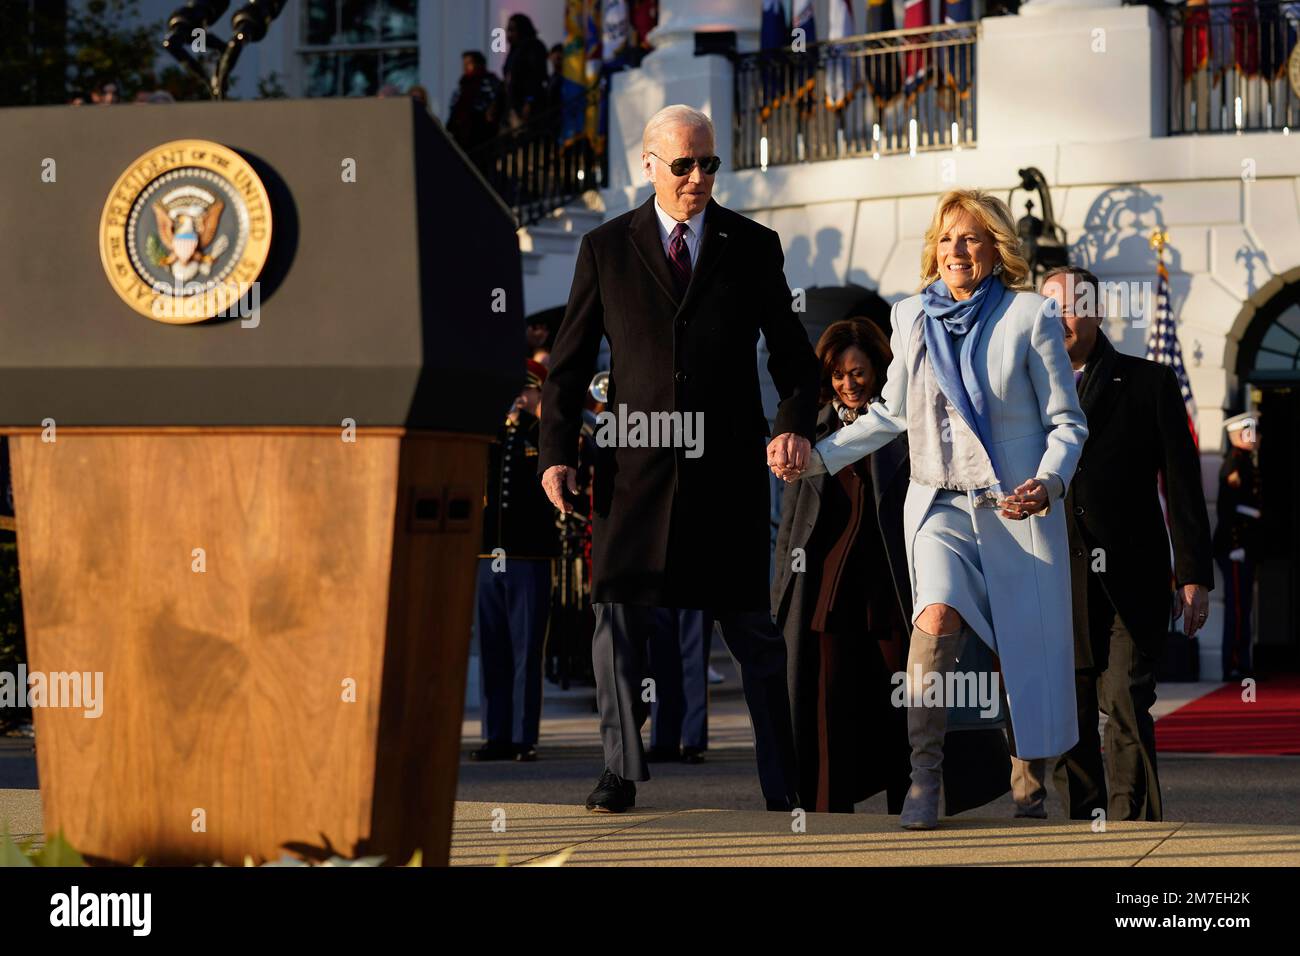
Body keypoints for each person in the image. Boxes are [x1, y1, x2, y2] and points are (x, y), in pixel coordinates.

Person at [775, 189, 1088, 830]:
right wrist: (816, 457)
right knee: (935, 619)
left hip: (1016, 510)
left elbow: (1067, 422)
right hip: (939, 506)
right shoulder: (911, 316)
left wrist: (1049, 483)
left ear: (995, 248)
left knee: (1023, 651)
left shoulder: (1029, 317)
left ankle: (1031, 781)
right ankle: (924, 775)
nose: (956, 251)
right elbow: (890, 415)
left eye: (970, 238)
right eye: (946, 240)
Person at [539, 104, 820, 813]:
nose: (699, 177)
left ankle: (784, 784)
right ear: (650, 166)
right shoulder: (605, 247)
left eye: (709, 164)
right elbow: (568, 370)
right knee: (617, 633)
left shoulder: (752, 246)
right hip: (632, 477)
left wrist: (793, 427)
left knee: (755, 639)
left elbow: (796, 362)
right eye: (684, 164)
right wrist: (554, 456)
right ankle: (619, 773)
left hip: (725, 478)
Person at [1032, 266, 1213, 823]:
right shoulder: (1023, 387)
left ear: (1097, 311)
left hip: (1131, 577)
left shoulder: (1149, 382)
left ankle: (1131, 835)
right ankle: (1086, 827)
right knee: (1071, 713)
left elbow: (1182, 488)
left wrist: (1193, 575)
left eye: (1067, 307)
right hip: (1053, 576)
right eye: (1047, 309)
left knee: (1126, 703)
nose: (1056, 320)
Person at [473, 359, 559, 763]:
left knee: (526, 648)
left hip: (529, 554)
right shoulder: (487, 435)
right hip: (487, 554)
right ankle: (496, 735)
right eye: (516, 391)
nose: (519, 399)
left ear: (539, 395)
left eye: (527, 392)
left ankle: (524, 736)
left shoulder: (545, 434)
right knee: (493, 648)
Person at [1215, 412, 1262, 681]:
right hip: (1235, 548)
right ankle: (1232, 664)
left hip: (1245, 547)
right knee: (1236, 608)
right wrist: (1235, 545)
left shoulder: (1245, 463)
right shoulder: (1233, 464)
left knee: (1243, 607)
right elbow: (1227, 509)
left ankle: (1242, 663)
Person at [447, 51, 504, 153]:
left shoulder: (489, 83)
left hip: (482, 133)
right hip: (462, 135)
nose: (465, 67)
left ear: (478, 64)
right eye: (464, 64)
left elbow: (496, 102)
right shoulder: (463, 85)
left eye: (468, 63)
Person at [503, 14, 549, 129]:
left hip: (530, 108)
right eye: (508, 30)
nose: (509, 34)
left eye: (512, 30)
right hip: (513, 107)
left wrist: (529, 101)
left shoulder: (534, 46)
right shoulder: (513, 51)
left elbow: (536, 76)